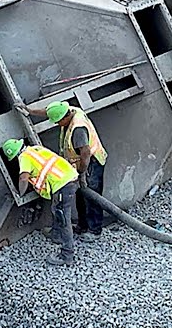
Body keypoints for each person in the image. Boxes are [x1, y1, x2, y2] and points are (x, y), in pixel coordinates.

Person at [19, 101, 109, 241]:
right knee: (80, 195)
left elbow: (85, 154)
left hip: (91, 163)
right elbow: (48, 111)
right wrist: (29, 110)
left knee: (91, 195)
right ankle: (82, 226)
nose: (56, 124)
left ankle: (94, 230)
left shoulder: (78, 129)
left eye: (57, 122)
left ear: (64, 118)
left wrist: (83, 174)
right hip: (79, 164)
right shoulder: (68, 110)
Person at [2, 138, 79, 267]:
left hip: (62, 185)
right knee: (56, 209)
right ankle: (56, 234)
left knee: (63, 218)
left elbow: (23, 177)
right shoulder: (36, 149)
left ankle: (67, 254)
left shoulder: (24, 158)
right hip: (69, 177)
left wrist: (19, 194)